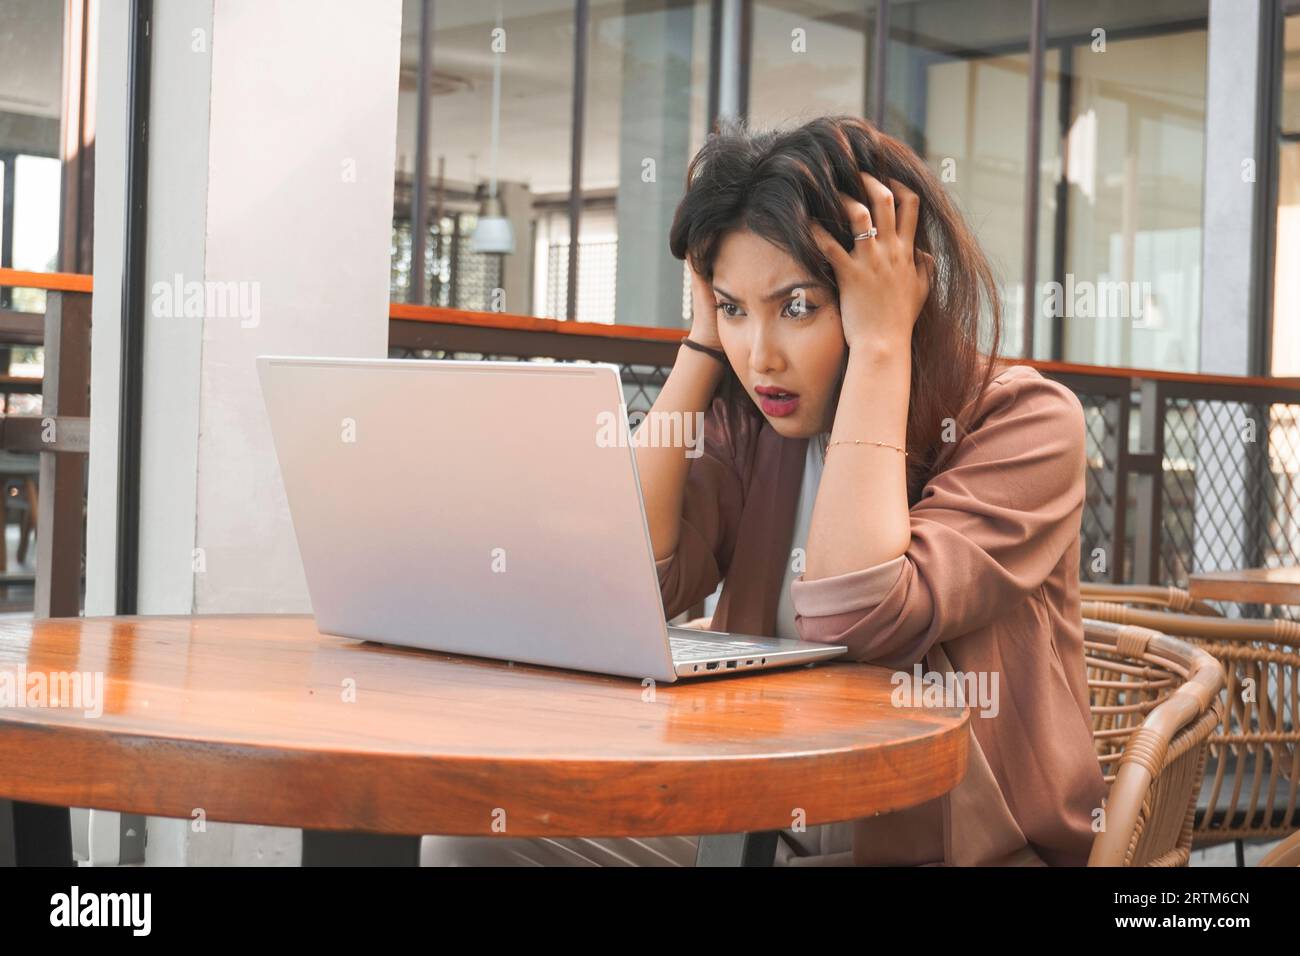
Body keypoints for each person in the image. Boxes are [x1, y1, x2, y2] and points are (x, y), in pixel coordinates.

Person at [421, 114, 1107, 867]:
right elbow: (635, 581)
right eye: (736, 310)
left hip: (941, 841)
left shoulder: (1024, 421)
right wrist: (699, 341)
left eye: (798, 306)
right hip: (757, 807)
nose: (761, 356)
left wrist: (883, 345)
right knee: (469, 844)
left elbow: (863, 609)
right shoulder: (757, 427)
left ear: (890, 285)